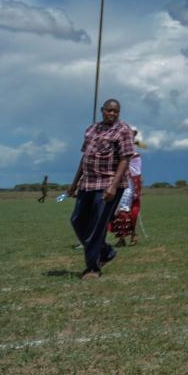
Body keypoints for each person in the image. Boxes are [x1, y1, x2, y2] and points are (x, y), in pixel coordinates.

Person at [70, 99, 135, 278]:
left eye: (116, 111)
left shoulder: (123, 131)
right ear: (102, 110)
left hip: (108, 184)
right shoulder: (91, 129)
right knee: (77, 220)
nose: (112, 114)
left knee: (96, 227)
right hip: (88, 183)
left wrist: (113, 187)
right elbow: (85, 158)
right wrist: (74, 183)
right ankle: (106, 251)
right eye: (109, 111)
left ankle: (92, 268)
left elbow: (125, 159)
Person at [110, 131, 144, 246]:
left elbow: (135, 172)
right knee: (119, 212)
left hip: (129, 186)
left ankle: (129, 236)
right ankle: (124, 238)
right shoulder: (117, 154)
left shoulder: (135, 156)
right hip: (118, 185)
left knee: (125, 211)